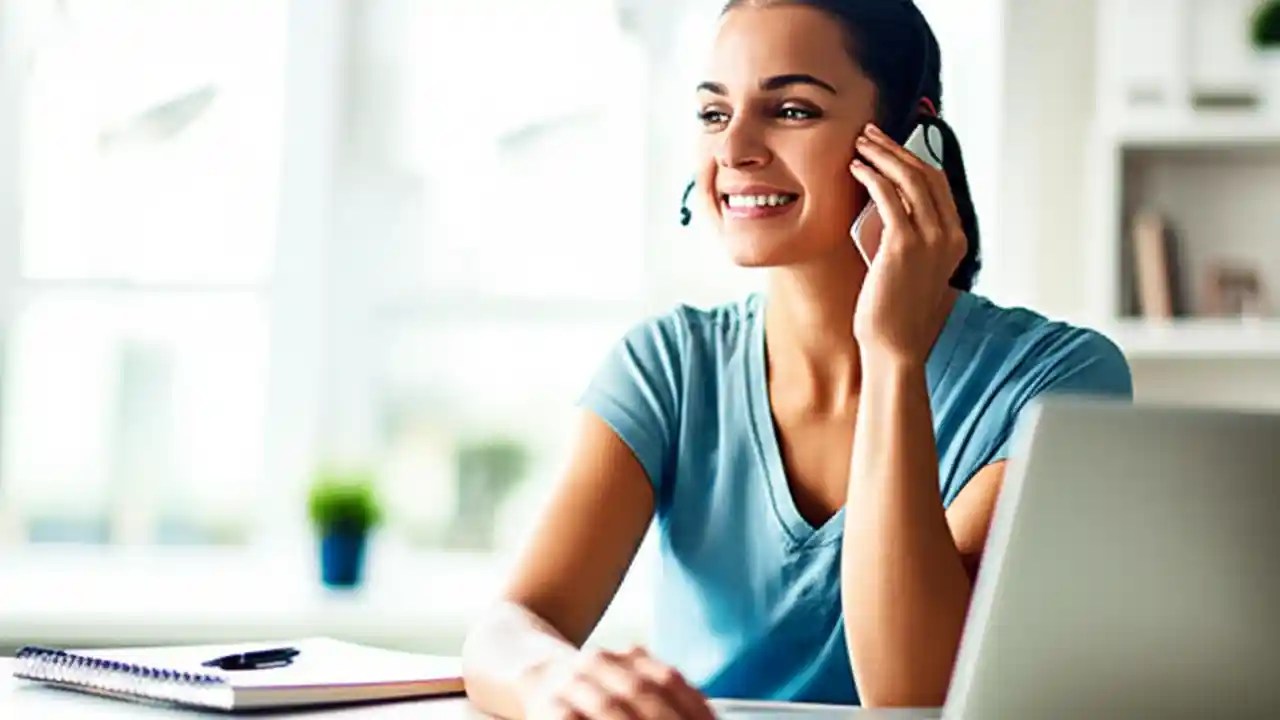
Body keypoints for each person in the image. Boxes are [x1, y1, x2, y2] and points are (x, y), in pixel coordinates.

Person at [462, 1, 1133, 718]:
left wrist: (892, 355)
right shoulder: (668, 366)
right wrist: (555, 682)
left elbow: (914, 693)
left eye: (790, 109)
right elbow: (507, 631)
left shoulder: (1058, 382)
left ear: (915, 136)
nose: (735, 150)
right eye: (715, 114)